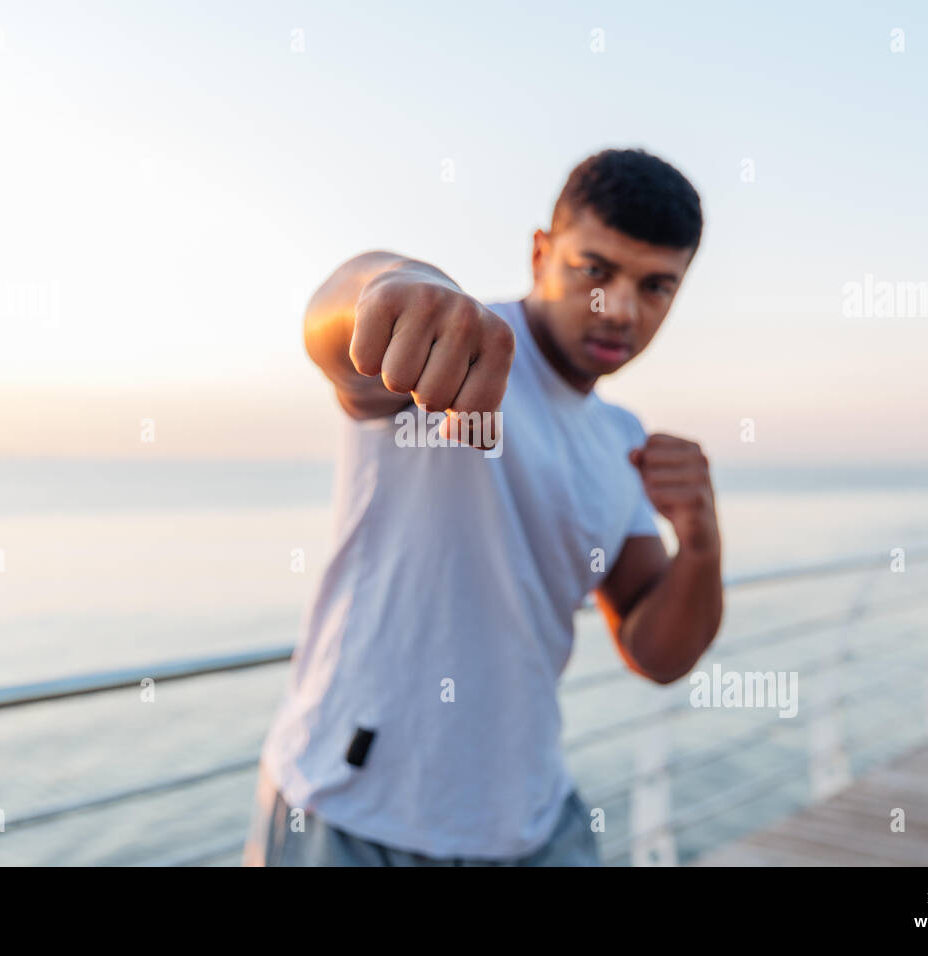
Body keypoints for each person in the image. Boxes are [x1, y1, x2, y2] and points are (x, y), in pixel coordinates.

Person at [243, 147, 724, 866]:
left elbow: (658, 651)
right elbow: (342, 334)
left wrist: (701, 538)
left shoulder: (619, 439)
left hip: (532, 821)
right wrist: (400, 284)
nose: (620, 309)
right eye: (595, 271)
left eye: (656, 286)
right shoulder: (453, 343)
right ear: (541, 253)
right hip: (352, 809)